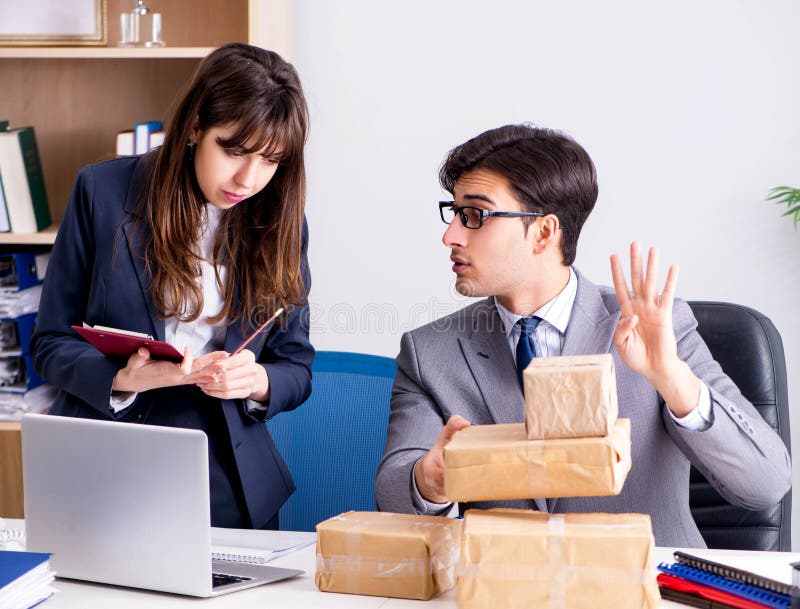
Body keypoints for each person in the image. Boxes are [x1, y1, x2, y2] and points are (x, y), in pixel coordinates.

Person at [374, 124, 791, 547]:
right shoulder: (431, 352)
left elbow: (766, 484)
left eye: (475, 216)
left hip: (646, 588)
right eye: (454, 213)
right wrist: (429, 482)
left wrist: (671, 377)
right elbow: (393, 494)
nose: (451, 236)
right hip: (508, 588)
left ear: (543, 232)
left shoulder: (657, 329)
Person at [31, 43, 314, 530]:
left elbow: (296, 365)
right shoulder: (103, 193)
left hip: (227, 462)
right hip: (111, 448)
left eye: (271, 161)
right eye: (233, 150)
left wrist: (258, 381)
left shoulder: (281, 221)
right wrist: (121, 379)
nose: (248, 179)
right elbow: (50, 342)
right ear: (196, 126)